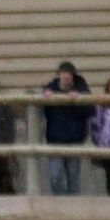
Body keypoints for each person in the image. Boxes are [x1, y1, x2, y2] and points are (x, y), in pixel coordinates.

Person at [42, 60, 93, 196]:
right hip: (55, 139)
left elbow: (89, 112)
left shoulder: (83, 90)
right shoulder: (50, 89)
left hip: (74, 139)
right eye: (64, 76)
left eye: (69, 77)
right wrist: (46, 98)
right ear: (59, 76)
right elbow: (44, 112)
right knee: (55, 176)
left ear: (73, 76)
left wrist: (79, 101)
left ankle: (73, 206)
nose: (66, 80)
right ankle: (61, 203)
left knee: (73, 177)